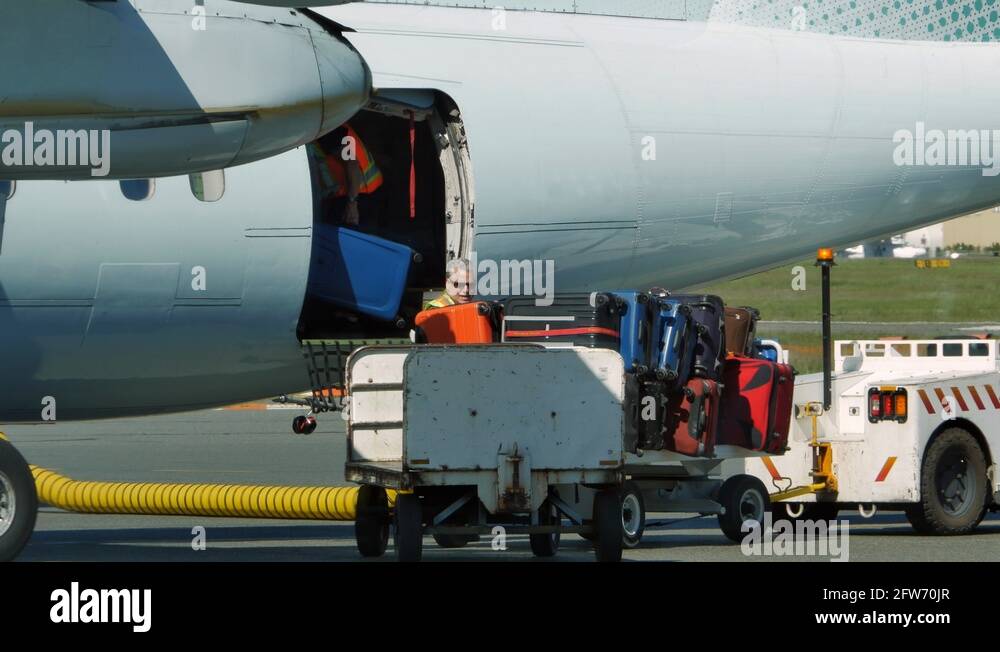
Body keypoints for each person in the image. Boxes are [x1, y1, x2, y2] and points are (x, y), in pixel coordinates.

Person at [310, 123, 383, 227]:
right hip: (355, 194)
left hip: (357, 196)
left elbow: (352, 163)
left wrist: (352, 203)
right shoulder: (332, 122)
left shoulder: (329, 130)